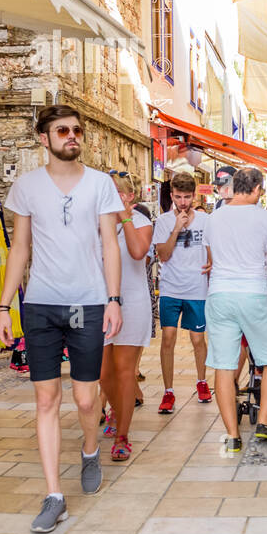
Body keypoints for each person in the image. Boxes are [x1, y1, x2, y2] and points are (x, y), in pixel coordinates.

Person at [0, 105, 124, 533]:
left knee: (86, 399)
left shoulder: (101, 184)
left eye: (77, 130)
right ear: (44, 138)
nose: (73, 136)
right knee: (46, 399)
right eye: (63, 130)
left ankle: (90, 449)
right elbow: (20, 249)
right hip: (42, 306)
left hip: (87, 303)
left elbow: (110, 244)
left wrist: (113, 298)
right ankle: (54, 495)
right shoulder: (27, 186)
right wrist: (3, 305)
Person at [203, 167, 267, 451]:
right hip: (254, 294)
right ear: (256, 189)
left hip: (219, 295)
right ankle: (264, 422)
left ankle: (232, 435)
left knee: (224, 365)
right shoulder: (265, 216)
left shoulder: (213, 218)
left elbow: (211, 259)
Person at [97, 173, 153, 461]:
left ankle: (122, 435)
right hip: (100, 303)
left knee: (124, 370)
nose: (113, 197)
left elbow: (137, 251)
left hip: (132, 303)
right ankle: (116, 411)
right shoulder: (97, 223)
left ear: (130, 196)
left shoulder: (142, 223)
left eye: (118, 193)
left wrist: (125, 218)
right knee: (101, 372)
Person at [152, 172, 212, 414]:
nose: (183, 202)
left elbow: (211, 250)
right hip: (170, 287)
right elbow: (163, 255)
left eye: (187, 197)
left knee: (198, 339)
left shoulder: (205, 221)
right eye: (178, 197)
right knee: (168, 338)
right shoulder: (164, 222)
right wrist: (176, 228)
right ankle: (168, 391)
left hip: (197, 287)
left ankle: (202, 381)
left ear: (194, 195)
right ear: (171, 196)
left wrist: (212, 263)